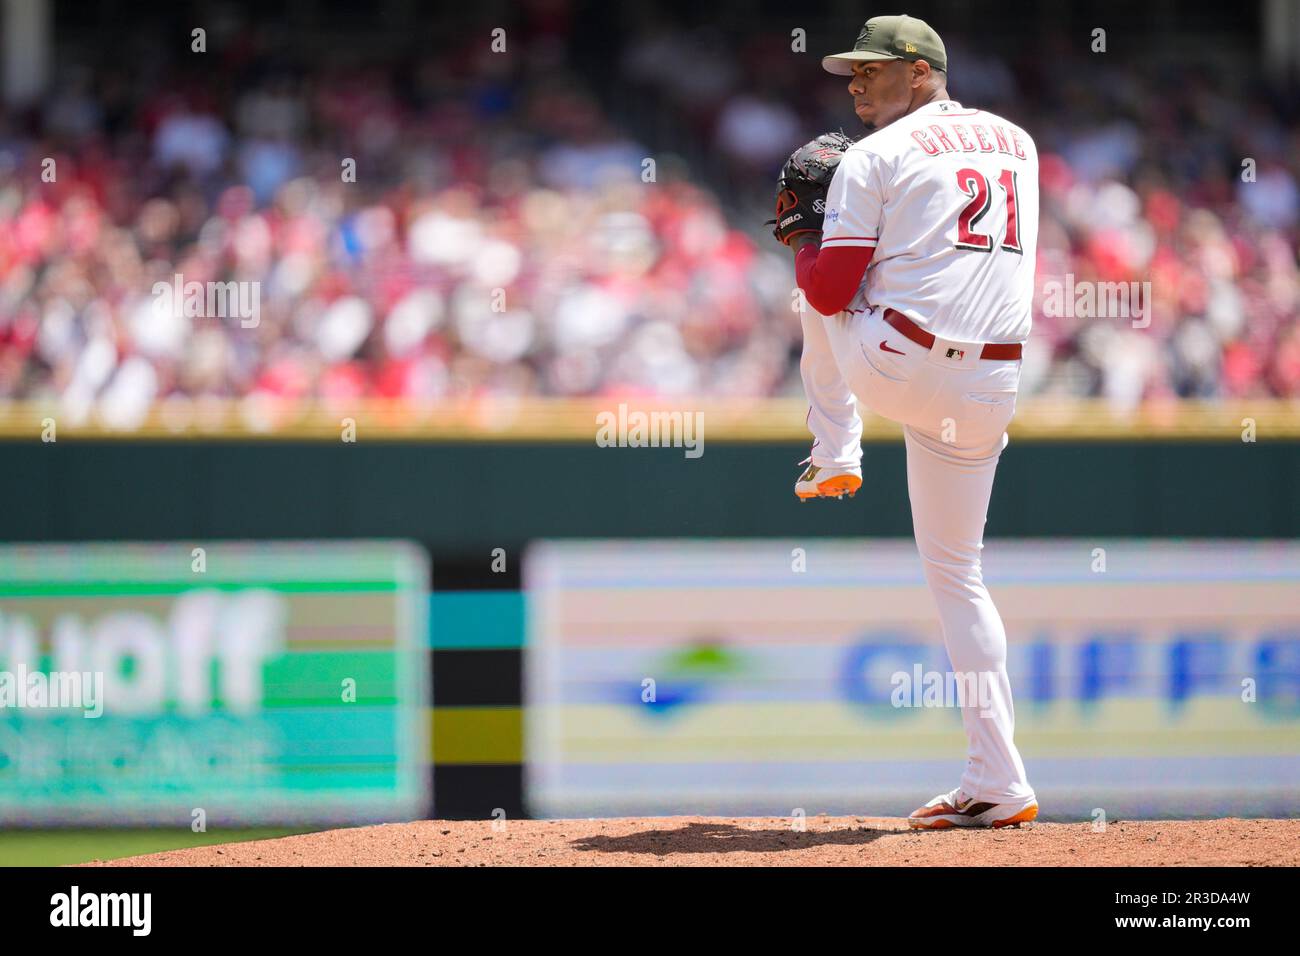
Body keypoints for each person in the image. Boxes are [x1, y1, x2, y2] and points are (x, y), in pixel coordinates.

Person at [780, 15, 1039, 828]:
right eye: (851, 72)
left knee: (813, 293)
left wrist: (800, 236)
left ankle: (833, 452)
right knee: (961, 577)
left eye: (872, 70)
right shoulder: (1020, 142)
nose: (855, 82)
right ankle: (998, 779)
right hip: (994, 382)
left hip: (901, 366)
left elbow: (827, 292)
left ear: (921, 72)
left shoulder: (872, 156)